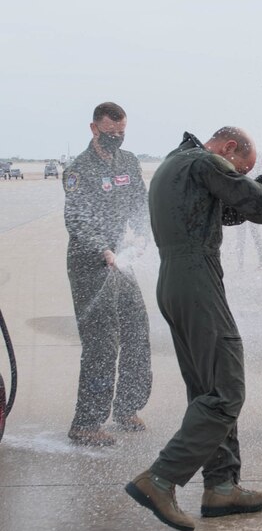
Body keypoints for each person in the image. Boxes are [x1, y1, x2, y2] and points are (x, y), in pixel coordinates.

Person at [124, 127, 262, 531]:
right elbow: (261, 210)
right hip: (196, 280)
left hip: (176, 281)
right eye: (241, 167)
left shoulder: (177, 165)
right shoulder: (206, 162)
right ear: (229, 149)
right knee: (227, 391)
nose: (239, 173)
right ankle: (159, 479)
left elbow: (228, 210)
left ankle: (222, 486)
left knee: (207, 391)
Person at [61, 101, 153, 446]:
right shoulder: (78, 169)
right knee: (101, 342)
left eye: (121, 132)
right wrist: (103, 248)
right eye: (109, 132)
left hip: (121, 259)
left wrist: (142, 235)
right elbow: (77, 219)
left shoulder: (128, 162)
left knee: (136, 330)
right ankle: (86, 422)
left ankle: (127, 407)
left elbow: (139, 204)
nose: (116, 137)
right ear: (93, 129)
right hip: (90, 263)